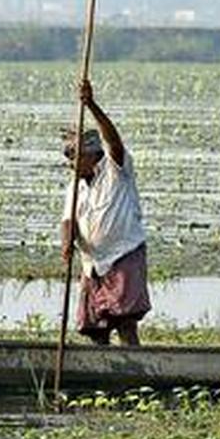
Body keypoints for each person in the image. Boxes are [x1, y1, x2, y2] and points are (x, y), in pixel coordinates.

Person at [62, 79, 151, 347]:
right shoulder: (76, 187)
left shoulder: (116, 171)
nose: (70, 164)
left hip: (123, 254)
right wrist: (67, 243)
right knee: (95, 328)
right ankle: (105, 372)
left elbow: (114, 141)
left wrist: (91, 105)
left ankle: (136, 372)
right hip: (93, 265)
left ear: (92, 155)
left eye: (75, 157)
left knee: (125, 321)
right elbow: (68, 220)